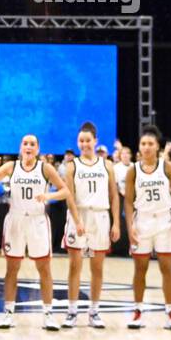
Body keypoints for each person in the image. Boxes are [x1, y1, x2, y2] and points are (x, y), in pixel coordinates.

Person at [0, 134, 78, 331]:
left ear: (37, 149)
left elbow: (65, 191)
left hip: (38, 220)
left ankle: (48, 314)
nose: (28, 147)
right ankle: (8, 312)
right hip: (16, 218)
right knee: (12, 268)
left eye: (32, 144)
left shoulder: (45, 168)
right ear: (20, 147)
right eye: (25, 143)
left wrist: (48, 195)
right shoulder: (11, 167)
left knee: (44, 268)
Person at [124, 124, 171, 331]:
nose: (147, 147)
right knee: (140, 268)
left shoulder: (166, 167)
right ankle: (137, 310)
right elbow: (128, 201)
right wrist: (130, 225)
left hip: (164, 222)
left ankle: (170, 312)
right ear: (139, 147)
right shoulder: (133, 170)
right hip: (142, 221)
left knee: (166, 268)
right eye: (143, 144)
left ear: (157, 146)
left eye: (150, 143)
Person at [63, 121, 120, 328]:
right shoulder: (71, 166)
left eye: (88, 140)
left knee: (97, 267)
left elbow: (114, 196)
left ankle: (94, 311)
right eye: (81, 141)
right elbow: (70, 196)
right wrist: (77, 221)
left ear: (95, 141)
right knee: (74, 266)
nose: (85, 144)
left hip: (100, 217)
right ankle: (71, 311)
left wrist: (116, 224)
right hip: (79, 216)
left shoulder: (107, 165)